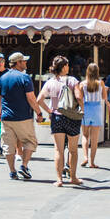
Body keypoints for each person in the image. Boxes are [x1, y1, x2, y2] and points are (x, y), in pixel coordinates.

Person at [0, 52, 46, 181]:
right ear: (18, 63)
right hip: (23, 117)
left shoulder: (3, 78)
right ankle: (24, 166)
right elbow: (31, 98)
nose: (25, 63)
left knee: (8, 145)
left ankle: (12, 171)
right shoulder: (24, 77)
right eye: (23, 61)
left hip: (6, 117)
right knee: (30, 141)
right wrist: (39, 113)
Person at [37, 56, 83, 187]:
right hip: (72, 117)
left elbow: (39, 99)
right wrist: (82, 110)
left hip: (57, 117)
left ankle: (59, 179)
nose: (69, 67)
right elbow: (79, 97)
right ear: (63, 67)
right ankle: (73, 177)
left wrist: (50, 111)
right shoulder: (72, 80)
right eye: (67, 65)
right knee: (73, 150)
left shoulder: (50, 82)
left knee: (58, 150)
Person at [79, 62, 105, 168]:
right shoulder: (101, 83)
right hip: (97, 109)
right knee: (94, 139)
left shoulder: (82, 84)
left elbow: (80, 98)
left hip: (86, 109)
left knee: (85, 135)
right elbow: (104, 97)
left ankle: (85, 157)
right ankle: (92, 162)